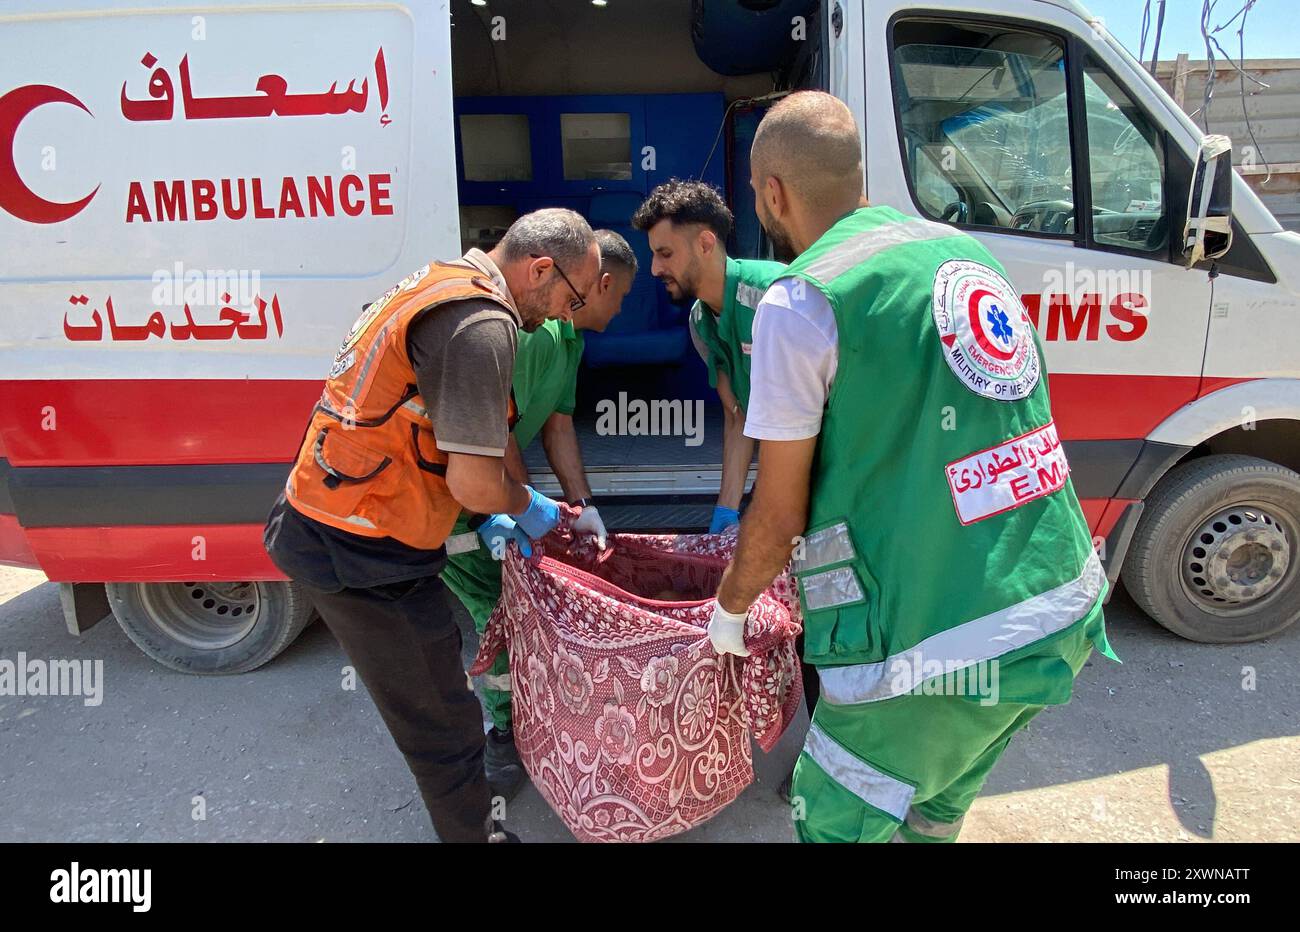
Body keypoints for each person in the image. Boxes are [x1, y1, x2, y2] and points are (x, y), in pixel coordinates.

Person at [708, 91, 1118, 842]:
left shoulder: (801, 301)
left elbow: (780, 513)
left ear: (772, 193)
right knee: (935, 811)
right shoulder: (965, 254)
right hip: (1059, 608)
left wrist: (730, 609)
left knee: (832, 820)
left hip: (935, 649)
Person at [263, 208, 601, 843]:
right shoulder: (481, 326)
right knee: (444, 727)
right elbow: (474, 482)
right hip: (360, 550)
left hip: (346, 523)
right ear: (540, 269)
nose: (566, 314)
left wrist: (500, 508)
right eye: (571, 297)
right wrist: (531, 508)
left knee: (439, 704)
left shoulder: (440, 283)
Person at [440, 229, 637, 799]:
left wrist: (584, 507)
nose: (621, 309)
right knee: (499, 614)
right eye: (621, 295)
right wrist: (521, 511)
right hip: (465, 512)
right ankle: (503, 735)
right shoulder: (539, 337)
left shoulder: (570, 343)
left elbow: (557, 427)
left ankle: (530, 718)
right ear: (600, 283)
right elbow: (494, 434)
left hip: (497, 500)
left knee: (521, 612)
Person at [632, 180, 786, 536]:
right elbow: (737, 415)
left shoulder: (774, 298)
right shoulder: (700, 322)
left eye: (665, 254)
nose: (654, 269)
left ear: (705, 244)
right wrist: (726, 509)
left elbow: (810, 416)